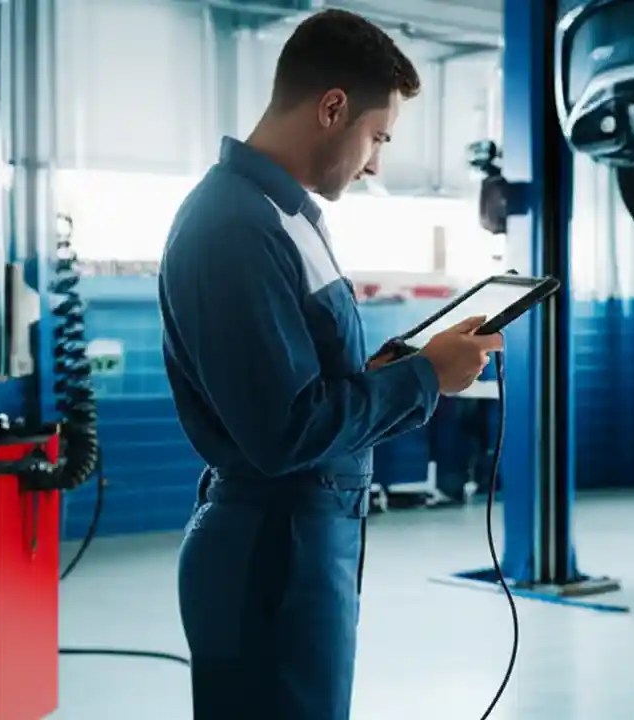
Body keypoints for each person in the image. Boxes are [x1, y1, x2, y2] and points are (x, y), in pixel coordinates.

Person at [157, 9, 502, 720]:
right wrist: (425, 376)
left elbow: (305, 375)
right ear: (332, 107)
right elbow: (283, 430)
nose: (377, 162)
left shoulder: (285, 216)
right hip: (271, 553)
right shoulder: (234, 227)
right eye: (377, 137)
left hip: (303, 543)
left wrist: (387, 367)